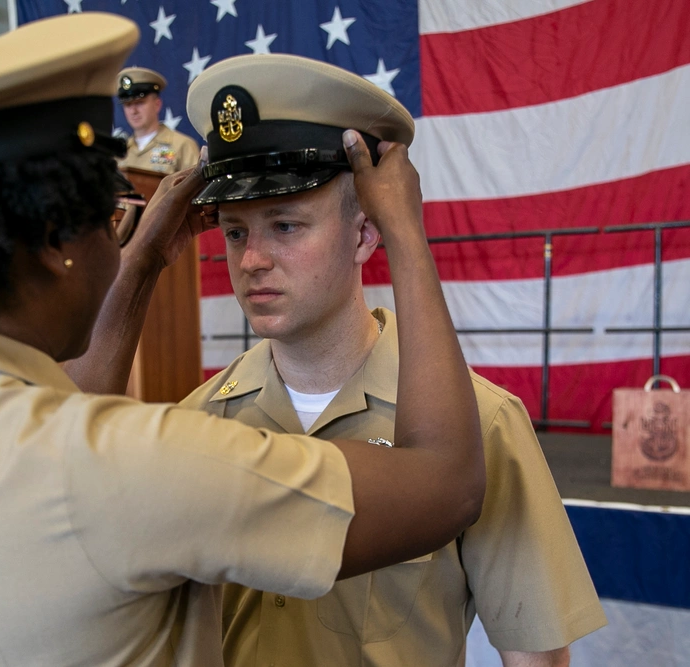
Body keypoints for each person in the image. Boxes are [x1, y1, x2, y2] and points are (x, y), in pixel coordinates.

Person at [0, 13, 484, 666]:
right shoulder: (135, 464)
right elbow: (446, 483)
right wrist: (406, 232)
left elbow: (56, 441)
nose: (118, 248)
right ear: (58, 244)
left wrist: (142, 261)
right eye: (106, 224)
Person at [175, 54, 608, 667]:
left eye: (287, 225)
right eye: (237, 231)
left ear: (364, 234)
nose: (251, 262)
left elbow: (533, 657)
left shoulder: (479, 424)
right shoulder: (195, 424)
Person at [117, 66, 199, 174]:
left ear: (157, 104)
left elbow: (199, 188)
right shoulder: (120, 153)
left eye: (139, 103)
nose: (133, 111)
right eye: (128, 105)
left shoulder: (182, 145)